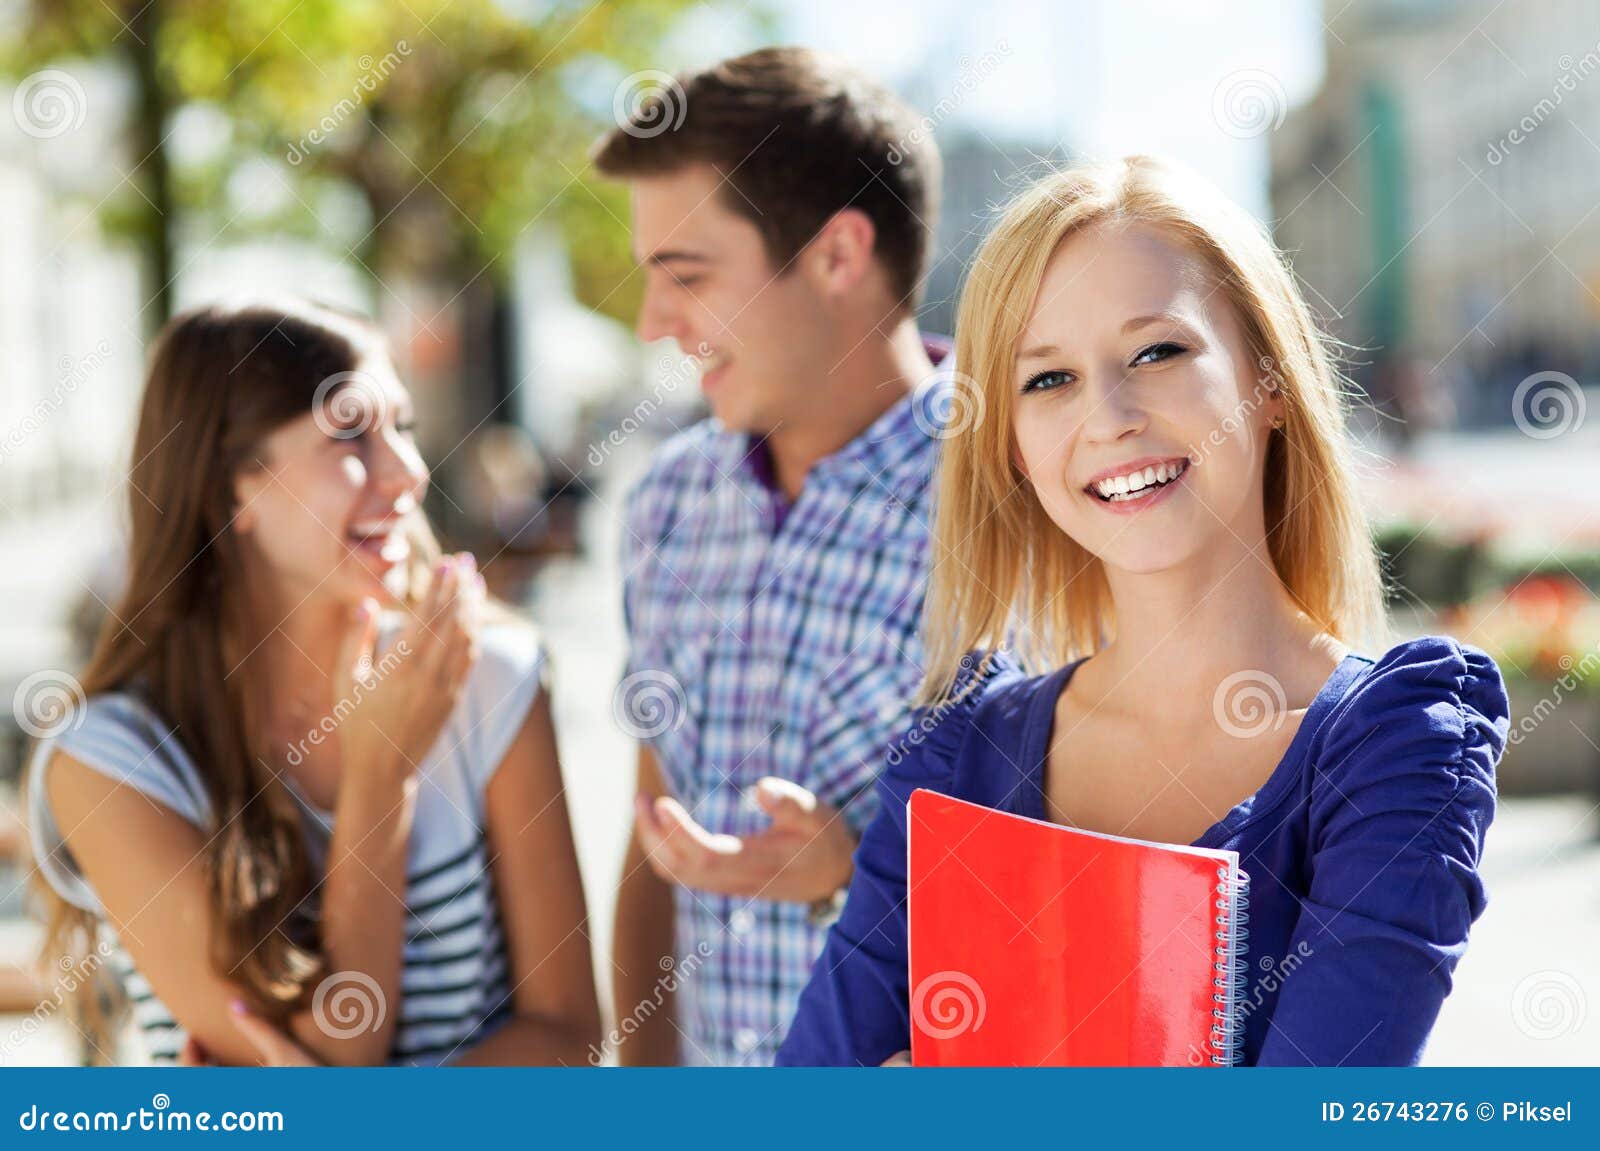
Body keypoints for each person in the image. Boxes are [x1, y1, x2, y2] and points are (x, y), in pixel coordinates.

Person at [776, 156, 1508, 1067]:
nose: (1109, 416)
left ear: (1270, 379)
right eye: (1047, 380)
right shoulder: (955, 758)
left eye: (1157, 351)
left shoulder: (1398, 743)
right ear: (1009, 446)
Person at [27, 301, 599, 1066]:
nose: (410, 471)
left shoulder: (491, 678)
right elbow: (336, 1052)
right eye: (352, 432)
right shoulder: (107, 765)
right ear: (230, 489)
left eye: (404, 427)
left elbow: (568, 1035)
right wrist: (379, 775)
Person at [591, 46, 950, 1065]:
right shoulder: (668, 503)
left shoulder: (1019, 503)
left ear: (838, 254)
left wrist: (855, 883)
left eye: (688, 278)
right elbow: (650, 842)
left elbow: (1096, 875)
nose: (654, 322)